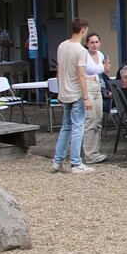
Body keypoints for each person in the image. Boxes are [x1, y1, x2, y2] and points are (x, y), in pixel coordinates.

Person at [50, 18, 93, 174]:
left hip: (65, 92)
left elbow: (59, 69)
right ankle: (76, 163)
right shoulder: (81, 50)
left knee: (66, 127)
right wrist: (86, 97)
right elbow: (81, 75)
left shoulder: (62, 45)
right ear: (83, 30)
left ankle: (57, 161)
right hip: (76, 92)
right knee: (77, 128)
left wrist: (60, 90)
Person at [80, 31, 110, 163]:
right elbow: (80, 74)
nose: (94, 45)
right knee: (90, 120)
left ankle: (96, 151)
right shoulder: (84, 56)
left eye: (96, 42)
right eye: (91, 42)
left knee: (98, 120)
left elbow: (102, 71)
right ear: (87, 44)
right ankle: (89, 154)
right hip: (87, 87)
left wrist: (105, 68)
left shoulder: (100, 54)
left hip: (98, 87)